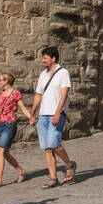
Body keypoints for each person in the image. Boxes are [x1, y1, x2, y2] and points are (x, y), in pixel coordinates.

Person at [33, 47, 75, 189]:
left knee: (54, 143)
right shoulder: (43, 75)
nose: (43, 60)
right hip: (43, 115)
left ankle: (68, 164)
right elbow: (38, 94)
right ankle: (53, 178)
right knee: (47, 147)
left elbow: (64, 94)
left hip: (56, 114)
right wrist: (32, 113)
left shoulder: (63, 73)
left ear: (53, 59)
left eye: (45, 57)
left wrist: (57, 113)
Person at [0, 71, 33, 185]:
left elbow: (22, 108)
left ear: (6, 81)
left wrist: (30, 117)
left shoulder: (15, 93)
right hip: (0, 125)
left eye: (1, 80)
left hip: (10, 124)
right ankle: (20, 170)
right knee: (5, 153)